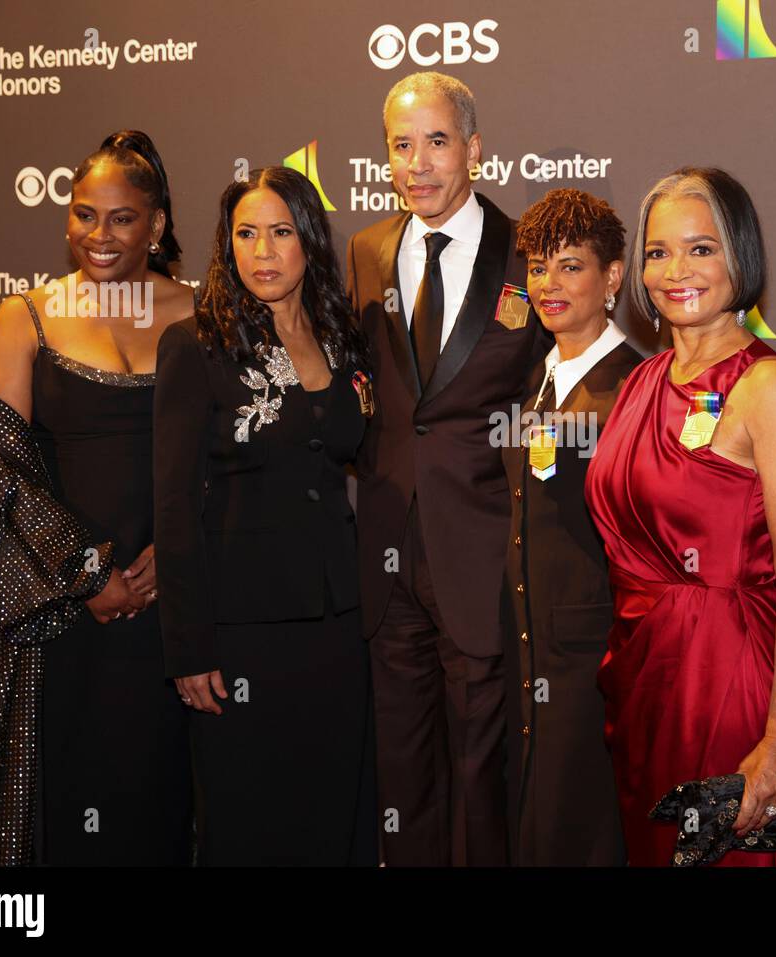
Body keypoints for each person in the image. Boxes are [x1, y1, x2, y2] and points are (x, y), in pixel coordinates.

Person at [0, 130, 195, 865]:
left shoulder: (206, 314)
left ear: (156, 225)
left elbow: (232, 454)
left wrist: (179, 551)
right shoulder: (25, 316)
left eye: (121, 217)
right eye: (82, 214)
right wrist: (87, 574)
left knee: (169, 800)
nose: (98, 234)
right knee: (63, 813)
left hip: (179, 607)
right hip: (59, 615)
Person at [345, 71, 550, 866]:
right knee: (402, 770)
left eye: (436, 141)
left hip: (485, 551)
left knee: (479, 774)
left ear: (473, 148)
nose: (419, 163)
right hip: (387, 553)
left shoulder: (529, 253)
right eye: (402, 145)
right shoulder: (365, 250)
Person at [584, 167, 776, 868]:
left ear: (739, 256)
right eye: (658, 252)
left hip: (731, 685)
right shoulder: (641, 380)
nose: (675, 270)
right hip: (644, 682)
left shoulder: (767, 386)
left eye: (700, 249)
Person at [153, 167, 376, 865]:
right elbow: (175, 502)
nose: (263, 251)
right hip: (240, 632)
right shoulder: (196, 344)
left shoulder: (344, 340)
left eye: (281, 232)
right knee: (249, 823)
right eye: (246, 234)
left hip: (338, 625)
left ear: (309, 241)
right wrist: (190, 647)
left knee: (334, 811)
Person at [502, 189, 640, 865]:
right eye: (536, 268)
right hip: (530, 652)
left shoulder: (637, 385)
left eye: (569, 266)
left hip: (597, 657)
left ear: (612, 276)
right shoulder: (537, 377)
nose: (547, 284)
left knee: (587, 831)